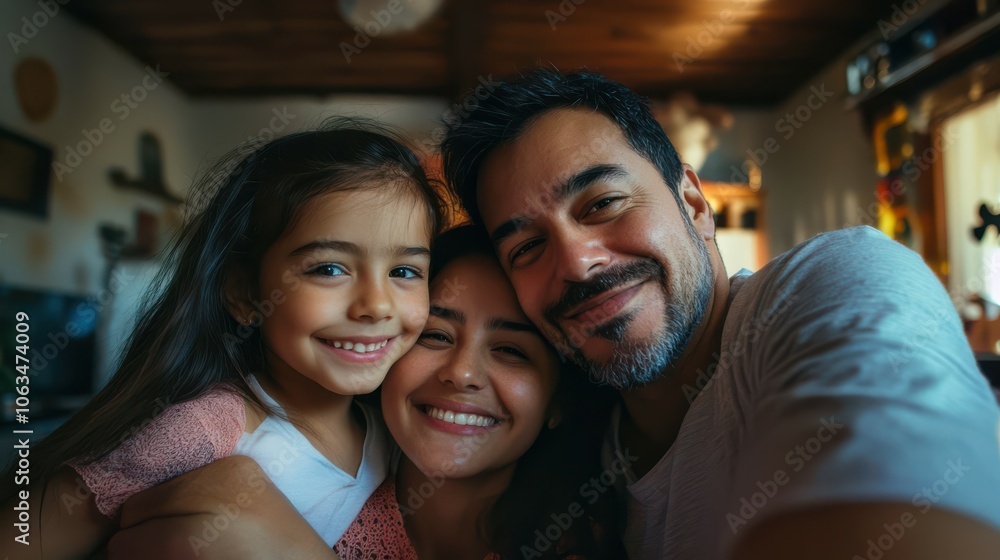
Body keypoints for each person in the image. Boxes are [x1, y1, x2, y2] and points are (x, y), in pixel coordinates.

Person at [437, 68, 1000, 559]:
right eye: (526, 248)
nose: (578, 264)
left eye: (603, 203)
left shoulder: (834, 281)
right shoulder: (562, 439)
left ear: (694, 203)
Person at [0, 119, 444, 559]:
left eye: (404, 272)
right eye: (328, 268)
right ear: (244, 294)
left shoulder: (395, 429)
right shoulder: (201, 429)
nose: (377, 305)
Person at [105, 225, 623, 560]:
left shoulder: (583, 543)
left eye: (512, 351)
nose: (462, 374)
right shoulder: (287, 468)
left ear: (559, 400)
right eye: (435, 336)